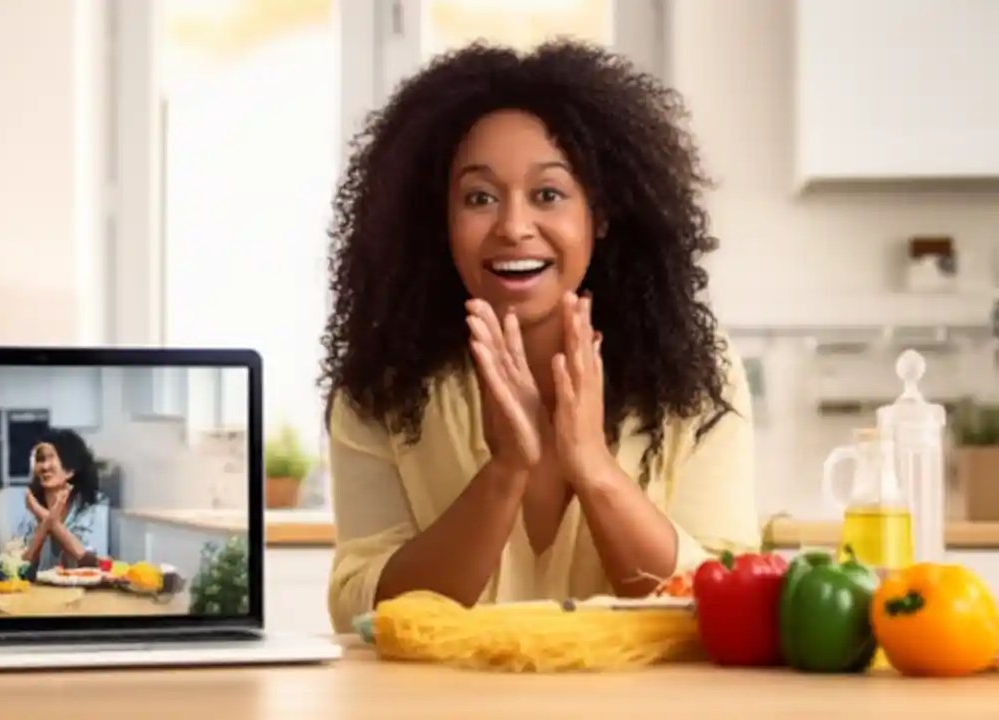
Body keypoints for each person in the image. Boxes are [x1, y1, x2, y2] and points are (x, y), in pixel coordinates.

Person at [319, 40, 762, 631]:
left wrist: (593, 467)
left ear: (599, 214)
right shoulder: (383, 383)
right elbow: (363, 610)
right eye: (479, 198)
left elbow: (722, 598)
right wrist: (504, 474)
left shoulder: (697, 373)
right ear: (440, 222)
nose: (513, 227)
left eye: (548, 195)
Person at [17, 429, 103, 575]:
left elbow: (88, 559)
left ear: (71, 469)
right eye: (40, 459)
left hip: (83, 590)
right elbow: (22, 566)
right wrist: (45, 524)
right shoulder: (32, 504)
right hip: (41, 591)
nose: (44, 466)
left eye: (51, 458)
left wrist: (46, 517)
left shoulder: (92, 503)